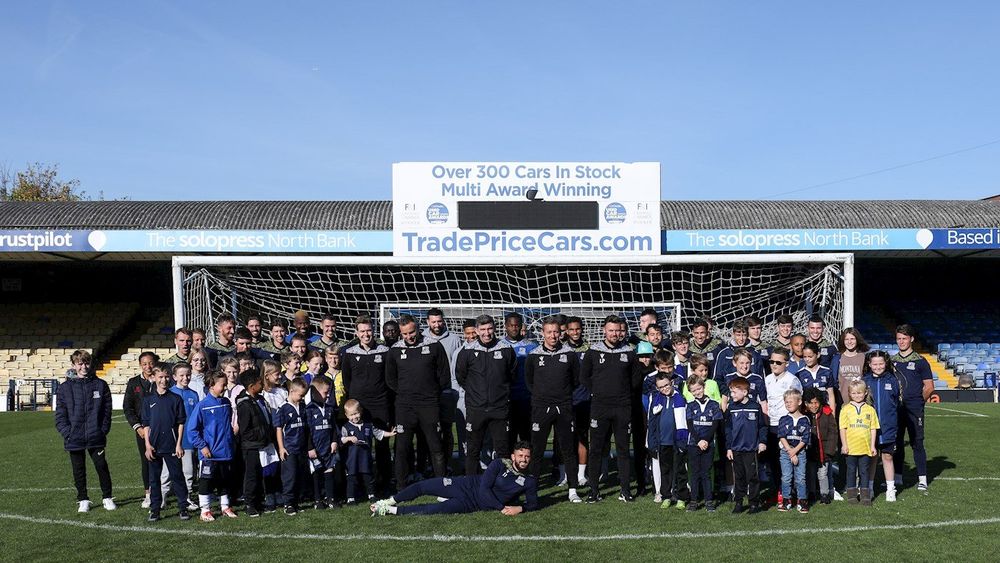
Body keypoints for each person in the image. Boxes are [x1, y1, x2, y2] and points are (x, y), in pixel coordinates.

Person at [370, 441, 538, 516]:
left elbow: (533, 504)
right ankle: (389, 501)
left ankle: (389, 511)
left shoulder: (529, 481)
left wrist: (520, 509)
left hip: (470, 504)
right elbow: (484, 489)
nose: (523, 459)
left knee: (431, 510)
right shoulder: (499, 463)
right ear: (513, 456)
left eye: (527, 456)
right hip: (463, 485)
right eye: (520, 455)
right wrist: (501, 508)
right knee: (423, 486)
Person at [581, 315, 644, 503]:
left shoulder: (630, 352)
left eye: (617, 330)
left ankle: (625, 491)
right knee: (596, 450)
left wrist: (622, 394)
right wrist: (598, 392)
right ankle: (594, 491)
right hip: (599, 407)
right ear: (604, 330)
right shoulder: (593, 351)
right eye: (611, 330)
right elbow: (584, 377)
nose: (615, 334)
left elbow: (636, 378)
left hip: (622, 407)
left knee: (623, 449)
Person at [386, 314, 451, 486]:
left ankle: (441, 485)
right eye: (405, 334)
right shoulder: (394, 350)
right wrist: (405, 393)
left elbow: (444, 375)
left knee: (436, 446)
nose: (409, 337)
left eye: (411, 332)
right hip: (404, 406)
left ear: (418, 328)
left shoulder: (434, 346)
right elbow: (390, 379)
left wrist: (431, 393)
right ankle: (401, 487)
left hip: (429, 405)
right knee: (402, 447)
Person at [525, 317, 582, 503]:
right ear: (543, 333)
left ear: (561, 333)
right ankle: (531, 489)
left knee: (568, 449)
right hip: (541, 408)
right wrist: (543, 398)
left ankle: (573, 489)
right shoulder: (533, 355)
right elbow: (529, 382)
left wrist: (562, 397)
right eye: (549, 332)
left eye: (556, 332)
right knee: (537, 450)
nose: (553, 336)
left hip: (564, 407)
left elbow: (575, 380)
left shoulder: (570, 354)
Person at [455, 314, 517, 477]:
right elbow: (461, 376)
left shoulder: (505, 349)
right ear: (476, 330)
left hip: (499, 408)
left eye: (489, 328)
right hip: (476, 409)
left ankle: (504, 485)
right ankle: (470, 486)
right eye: (482, 329)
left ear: (495, 328)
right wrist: (477, 393)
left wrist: (500, 393)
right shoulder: (467, 351)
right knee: (473, 449)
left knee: (503, 449)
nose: (486, 333)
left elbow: (512, 375)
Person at [54, 349, 115, 513]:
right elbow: (60, 414)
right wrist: (68, 432)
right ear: (74, 365)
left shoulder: (100, 385)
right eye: (80, 363)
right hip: (74, 437)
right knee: (78, 471)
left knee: (102, 466)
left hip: (96, 436)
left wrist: (102, 430)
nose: (84, 367)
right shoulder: (64, 388)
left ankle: (107, 497)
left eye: (86, 363)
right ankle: (83, 499)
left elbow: (107, 412)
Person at [342, 315, 393, 492]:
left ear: (373, 330)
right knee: (359, 446)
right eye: (362, 331)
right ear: (356, 332)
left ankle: (384, 483)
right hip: (359, 407)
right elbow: (347, 380)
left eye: (369, 330)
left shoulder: (384, 350)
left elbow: (389, 378)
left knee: (381, 446)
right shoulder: (349, 353)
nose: (366, 334)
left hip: (380, 404)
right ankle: (361, 485)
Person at [185, 370, 239, 521]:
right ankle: (205, 510)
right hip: (210, 453)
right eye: (223, 385)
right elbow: (192, 429)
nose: (226, 387)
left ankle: (225, 506)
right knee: (206, 481)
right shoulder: (202, 406)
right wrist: (202, 446)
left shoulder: (226, 403)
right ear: (211, 386)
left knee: (225, 480)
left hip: (225, 451)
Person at [142, 363, 190, 522]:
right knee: (154, 480)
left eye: (166, 377)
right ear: (154, 378)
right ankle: (155, 509)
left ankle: (183, 507)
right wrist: (147, 445)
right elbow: (146, 424)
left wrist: (179, 444)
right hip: (154, 446)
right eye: (160, 377)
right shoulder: (148, 400)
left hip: (171, 445)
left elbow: (181, 422)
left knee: (177, 477)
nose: (164, 380)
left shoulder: (175, 399)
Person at [891, 323, 933, 493]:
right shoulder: (892, 361)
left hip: (914, 410)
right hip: (896, 410)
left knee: (917, 442)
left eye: (904, 338)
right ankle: (897, 477)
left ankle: (922, 479)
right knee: (897, 443)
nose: (901, 342)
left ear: (912, 339)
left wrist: (917, 402)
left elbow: (929, 387)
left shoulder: (921, 361)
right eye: (899, 339)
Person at [422, 308, 464, 474]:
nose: (437, 324)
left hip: (448, 392)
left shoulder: (454, 339)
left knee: (446, 429)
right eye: (433, 321)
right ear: (427, 322)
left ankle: (445, 463)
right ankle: (427, 464)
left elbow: (459, 365)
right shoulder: (422, 338)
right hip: (427, 393)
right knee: (429, 430)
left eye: (439, 321)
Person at [763, 347, 802, 502]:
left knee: (788, 461)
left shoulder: (792, 380)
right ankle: (778, 491)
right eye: (771, 361)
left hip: (786, 426)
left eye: (778, 362)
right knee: (773, 461)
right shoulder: (767, 379)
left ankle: (792, 493)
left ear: (786, 363)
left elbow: (797, 403)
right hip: (770, 424)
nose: (774, 365)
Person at [646, 372, 689, 509]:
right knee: (665, 471)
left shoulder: (680, 399)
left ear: (671, 382)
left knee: (680, 471)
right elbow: (652, 423)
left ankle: (681, 497)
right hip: (663, 442)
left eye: (666, 385)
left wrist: (683, 441)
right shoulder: (657, 400)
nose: (664, 388)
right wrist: (652, 441)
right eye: (660, 387)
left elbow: (685, 421)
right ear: (657, 388)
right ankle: (666, 496)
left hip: (677, 441)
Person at [235, 370, 275, 517]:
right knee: (251, 475)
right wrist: (260, 437)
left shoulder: (260, 399)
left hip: (262, 444)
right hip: (252, 446)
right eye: (259, 383)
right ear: (252, 386)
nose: (262, 384)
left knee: (260, 475)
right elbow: (245, 429)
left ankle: (258, 501)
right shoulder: (245, 404)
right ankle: (250, 504)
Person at [341, 399, 396, 503]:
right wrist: (348, 438)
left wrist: (390, 433)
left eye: (356, 413)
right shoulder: (346, 427)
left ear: (360, 411)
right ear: (347, 415)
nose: (354, 417)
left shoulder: (368, 425)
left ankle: (371, 495)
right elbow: (341, 439)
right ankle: (350, 498)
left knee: (368, 477)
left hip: (365, 457)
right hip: (352, 459)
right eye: (351, 415)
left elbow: (379, 433)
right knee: (352, 478)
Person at [725, 377, 767, 514]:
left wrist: (762, 441)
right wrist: (729, 447)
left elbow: (761, 426)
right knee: (739, 477)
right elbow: (728, 429)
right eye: (731, 392)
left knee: (752, 477)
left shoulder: (755, 406)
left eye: (734, 392)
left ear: (744, 392)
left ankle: (754, 503)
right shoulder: (731, 407)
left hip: (751, 449)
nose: (732, 395)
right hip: (736, 449)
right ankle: (738, 502)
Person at [864, 350, 900, 502]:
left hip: (888, 426)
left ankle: (891, 489)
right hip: (868, 427)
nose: (878, 366)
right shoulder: (865, 380)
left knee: (887, 456)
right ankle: (870, 488)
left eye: (881, 363)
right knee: (872, 457)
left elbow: (896, 402)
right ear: (869, 365)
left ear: (885, 364)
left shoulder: (892, 380)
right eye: (875, 364)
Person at [124, 351, 157, 509]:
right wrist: (137, 427)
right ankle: (148, 494)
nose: (148, 366)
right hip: (143, 430)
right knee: (147, 460)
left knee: (164, 460)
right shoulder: (133, 383)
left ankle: (162, 491)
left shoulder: (162, 380)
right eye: (145, 364)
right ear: (140, 365)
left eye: (150, 363)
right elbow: (128, 408)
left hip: (161, 428)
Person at [685, 378, 722, 512]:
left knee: (706, 473)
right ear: (690, 392)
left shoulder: (713, 404)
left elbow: (715, 424)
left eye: (699, 389)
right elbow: (689, 425)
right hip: (694, 444)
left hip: (709, 443)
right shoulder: (690, 405)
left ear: (703, 387)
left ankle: (708, 501)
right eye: (693, 390)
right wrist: (699, 440)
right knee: (694, 473)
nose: (697, 392)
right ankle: (693, 501)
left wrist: (706, 440)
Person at [840, 380, 879, 505]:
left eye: (860, 393)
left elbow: (873, 428)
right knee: (851, 470)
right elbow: (843, 428)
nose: (857, 395)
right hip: (851, 448)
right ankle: (851, 496)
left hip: (865, 447)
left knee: (864, 471)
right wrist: (844, 445)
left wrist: (873, 445)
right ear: (850, 394)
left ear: (865, 393)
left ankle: (865, 496)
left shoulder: (870, 410)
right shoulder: (845, 409)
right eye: (854, 393)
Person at [305, 377, 342, 509]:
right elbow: (307, 430)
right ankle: (317, 499)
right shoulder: (309, 409)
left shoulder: (329, 409)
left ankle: (331, 498)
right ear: (315, 391)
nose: (327, 396)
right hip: (315, 447)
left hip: (328, 445)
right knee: (316, 472)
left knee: (329, 470)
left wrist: (334, 441)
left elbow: (333, 427)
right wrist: (310, 447)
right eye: (325, 393)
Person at [274, 378, 309, 515]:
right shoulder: (283, 408)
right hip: (289, 448)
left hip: (301, 447)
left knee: (299, 475)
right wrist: (281, 448)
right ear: (292, 391)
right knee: (290, 476)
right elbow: (278, 429)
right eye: (300, 395)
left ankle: (295, 502)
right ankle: (288, 503)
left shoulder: (302, 406)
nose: (302, 398)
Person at [169, 362, 200, 511]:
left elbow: (197, 418)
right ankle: (159, 500)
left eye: (188, 375)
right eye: (181, 375)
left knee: (188, 471)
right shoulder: (169, 393)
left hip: (189, 440)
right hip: (171, 440)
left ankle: (186, 498)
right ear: (174, 377)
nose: (185, 378)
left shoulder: (193, 394)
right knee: (166, 473)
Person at [503, 312, 538, 447]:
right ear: (506, 326)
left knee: (526, 435)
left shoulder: (532, 347)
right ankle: (509, 465)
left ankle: (527, 465)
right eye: (511, 325)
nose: (514, 328)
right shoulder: (499, 346)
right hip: (506, 399)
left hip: (526, 398)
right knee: (508, 436)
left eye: (517, 325)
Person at [564, 315, 591, 487]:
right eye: (571, 329)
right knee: (565, 439)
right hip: (565, 401)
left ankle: (581, 475)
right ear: (566, 331)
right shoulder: (561, 350)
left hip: (584, 400)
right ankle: (565, 474)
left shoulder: (590, 349)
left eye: (577, 329)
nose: (575, 332)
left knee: (582, 437)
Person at [776, 389, 810, 512]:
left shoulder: (805, 419)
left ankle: (802, 500)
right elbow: (782, 436)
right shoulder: (783, 419)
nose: (788, 404)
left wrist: (795, 451)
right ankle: (786, 500)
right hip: (785, 452)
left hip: (800, 452)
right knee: (786, 477)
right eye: (786, 402)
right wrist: (790, 451)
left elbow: (805, 439)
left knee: (800, 478)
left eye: (791, 401)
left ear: (799, 401)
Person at [802, 386, 837, 505]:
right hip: (810, 451)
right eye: (810, 403)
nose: (813, 406)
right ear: (806, 403)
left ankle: (824, 494)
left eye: (816, 402)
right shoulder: (804, 415)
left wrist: (830, 451)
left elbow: (833, 432)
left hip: (824, 451)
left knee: (823, 474)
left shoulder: (827, 413)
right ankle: (811, 492)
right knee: (810, 473)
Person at [834, 327, 870, 408]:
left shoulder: (864, 357)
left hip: (861, 404)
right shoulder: (837, 358)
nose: (849, 342)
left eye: (852, 339)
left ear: (857, 339)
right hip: (842, 404)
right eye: (847, 339)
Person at [795, 342, 837, 411]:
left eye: (810, 356)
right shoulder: (799, 374)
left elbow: (831, 395)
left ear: (818, 355)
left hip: (824, 412)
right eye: (805, 357)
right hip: (807, 412)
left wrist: (832, 415)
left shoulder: (827, 372)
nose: (807, 359)